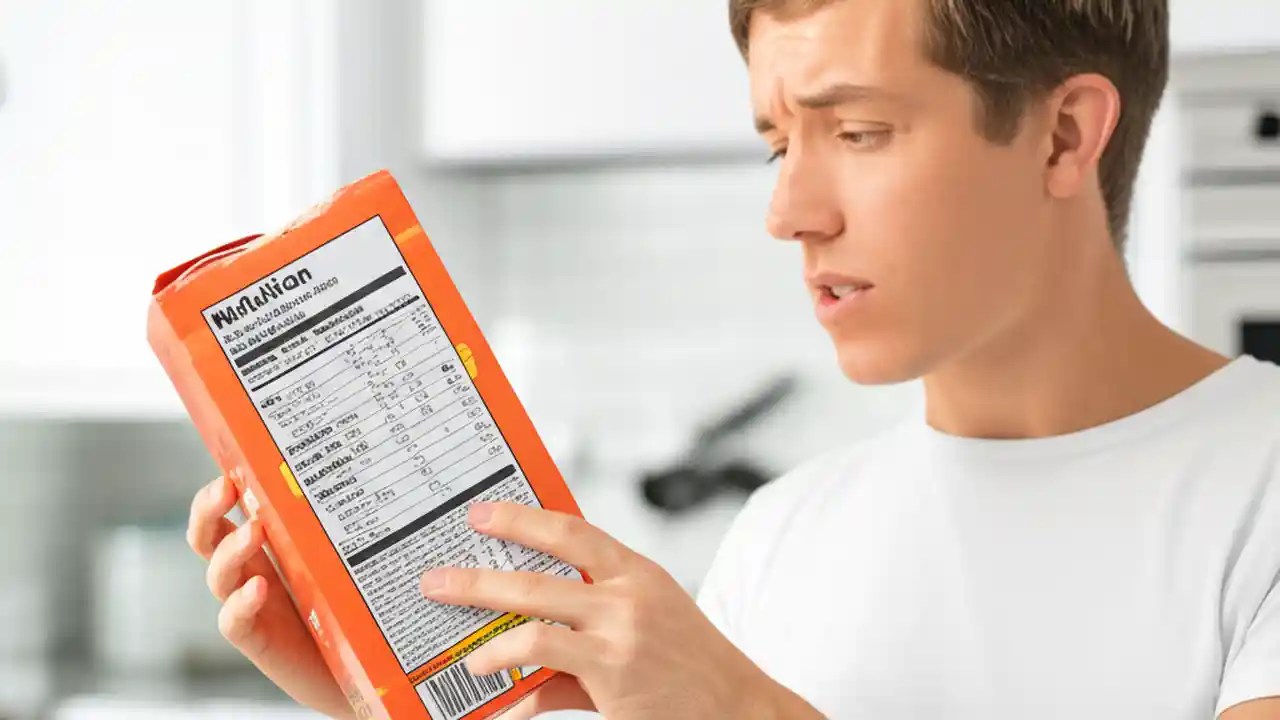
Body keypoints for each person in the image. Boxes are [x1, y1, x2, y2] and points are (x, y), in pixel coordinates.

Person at [186, 0, 1280, 718]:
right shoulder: (782, 536)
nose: (788, 210)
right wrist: (378, 692)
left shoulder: (1258, 486)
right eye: (775, 144)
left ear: (1060, 136)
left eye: (855, 132)